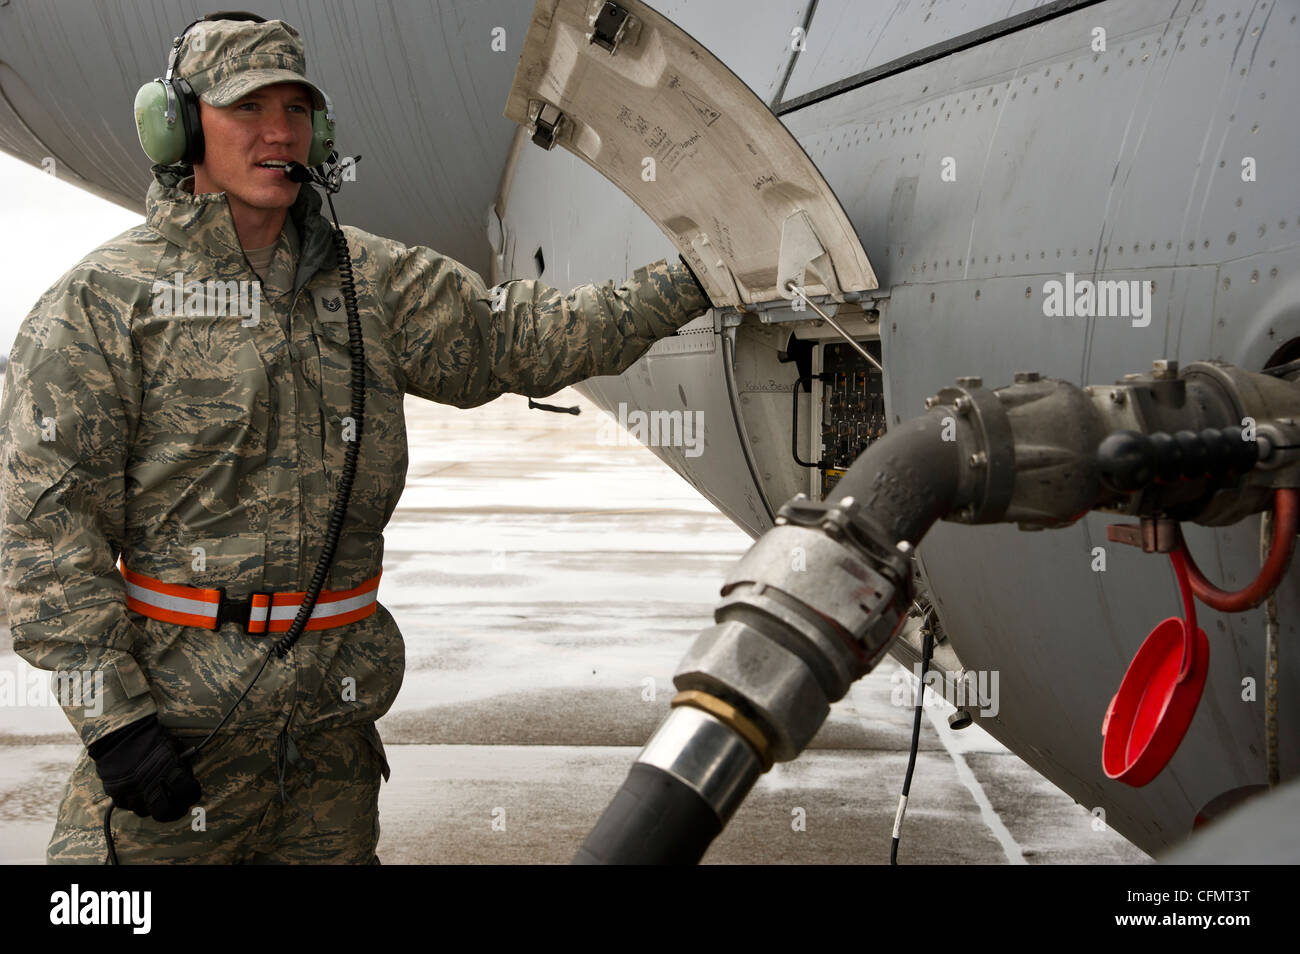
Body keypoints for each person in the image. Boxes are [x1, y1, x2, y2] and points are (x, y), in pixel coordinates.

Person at [0, 15, 711, 864]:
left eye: (297, 110)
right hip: (176, 740)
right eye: (247, 108)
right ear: (180, 126)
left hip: (328, 748)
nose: (279, 132)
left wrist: (692, 278)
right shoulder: (102, 305)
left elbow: (520, 340)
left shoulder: (371, 280)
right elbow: (45, 533)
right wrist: (115, 721)